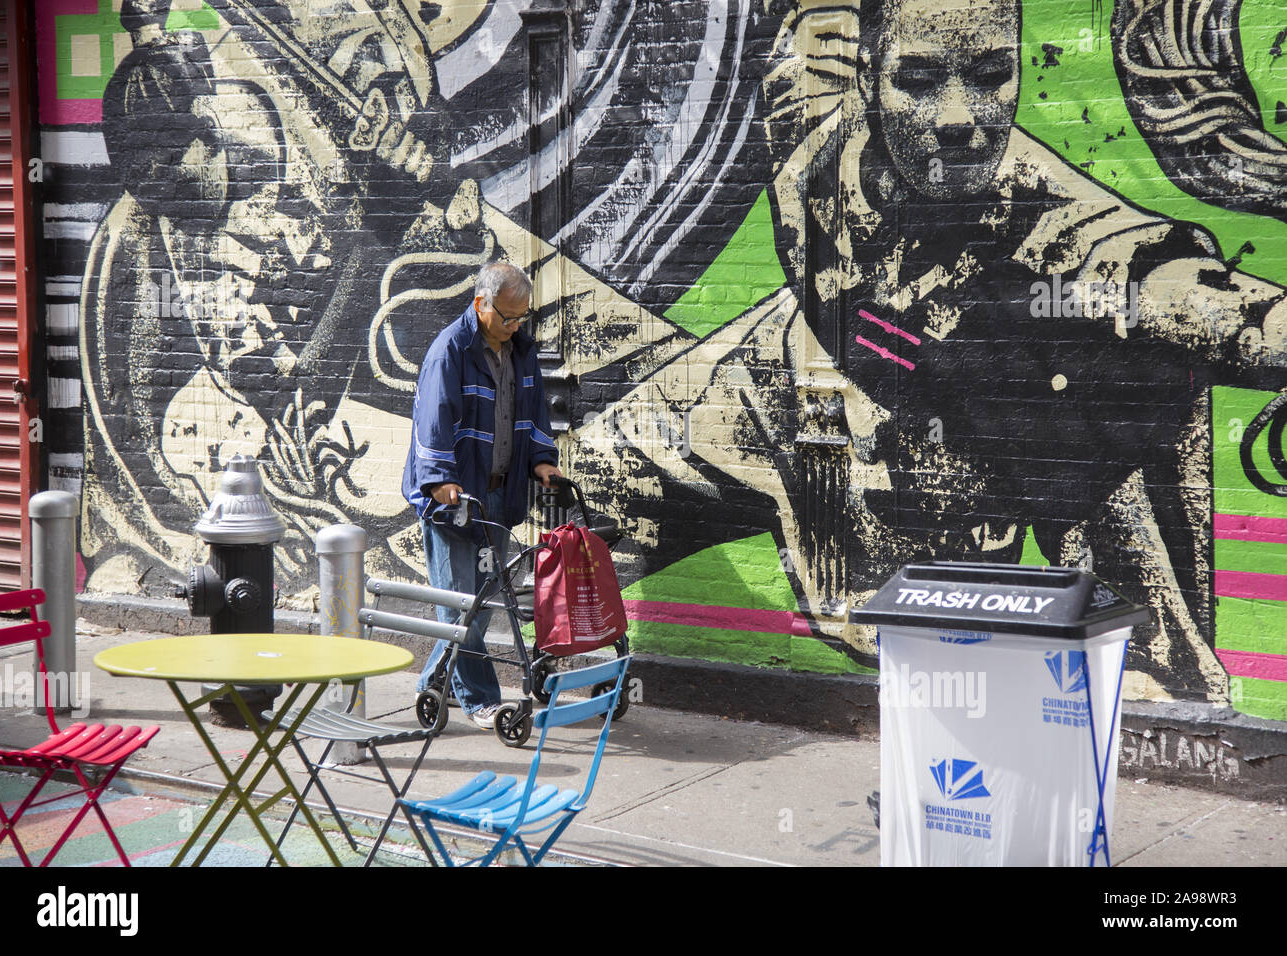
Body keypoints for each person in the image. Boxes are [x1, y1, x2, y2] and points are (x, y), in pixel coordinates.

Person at [568, 0, 1287, 702]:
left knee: (1119, 419)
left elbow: (1159, 279)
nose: (957, 119)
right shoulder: (813, 114)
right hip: (761, 390)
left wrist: (1263, 326)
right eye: (915, 81)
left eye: (991, 74)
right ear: (870, 77)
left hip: (932, 458)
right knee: (557, 524)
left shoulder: (1040, 206)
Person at [402, 261, 561, 727]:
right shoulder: (450, 350)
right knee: (460, 603)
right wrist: (439, 480)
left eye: (521, 318)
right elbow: (433, 420)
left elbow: (532, 417)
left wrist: (541, 461)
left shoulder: (522, 352)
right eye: (507, 317)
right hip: (454, 501)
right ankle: (481, 700)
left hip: (499, 496)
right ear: (480, 303)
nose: (514, 327)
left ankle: (434, 682)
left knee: (482, 603)